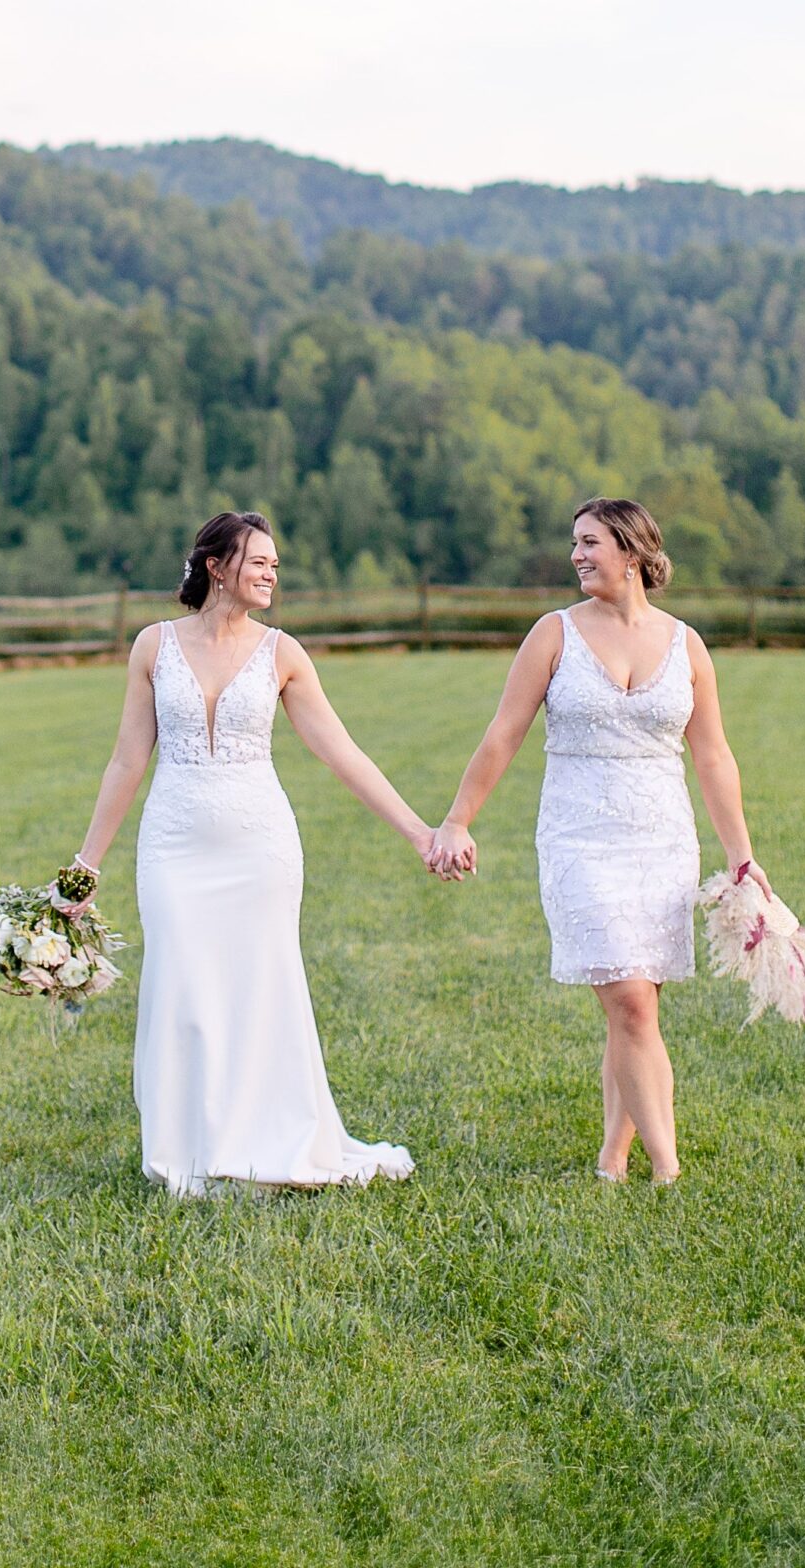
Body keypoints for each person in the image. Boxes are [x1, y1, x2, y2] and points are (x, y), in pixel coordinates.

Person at [64, 511, 436, 1194]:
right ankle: (188, 1151)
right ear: (215, 566)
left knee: (259, 989)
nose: (271, 574)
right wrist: (86, 863)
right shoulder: (152, 646)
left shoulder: (282, 654)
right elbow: (125, 760)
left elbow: (341, 754)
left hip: (259, 848)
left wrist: (419, 831)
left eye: (274, 564)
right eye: (258, 561)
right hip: (173, 845)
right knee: (181, 988)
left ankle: (264, 1141)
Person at [428, 497, 769, 1183]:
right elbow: (503, 734)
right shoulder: (552, 635)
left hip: (662, 839)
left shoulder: (685, 644)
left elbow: (712, 757)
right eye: (574, 544)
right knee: (629, 1000)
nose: (576, 556)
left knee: (637, 1004)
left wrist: (742, 858)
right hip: (579, 837)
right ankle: (668, 1173)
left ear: (633, 551)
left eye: (589, 543)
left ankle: (613, 1159)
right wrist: (457, 818)